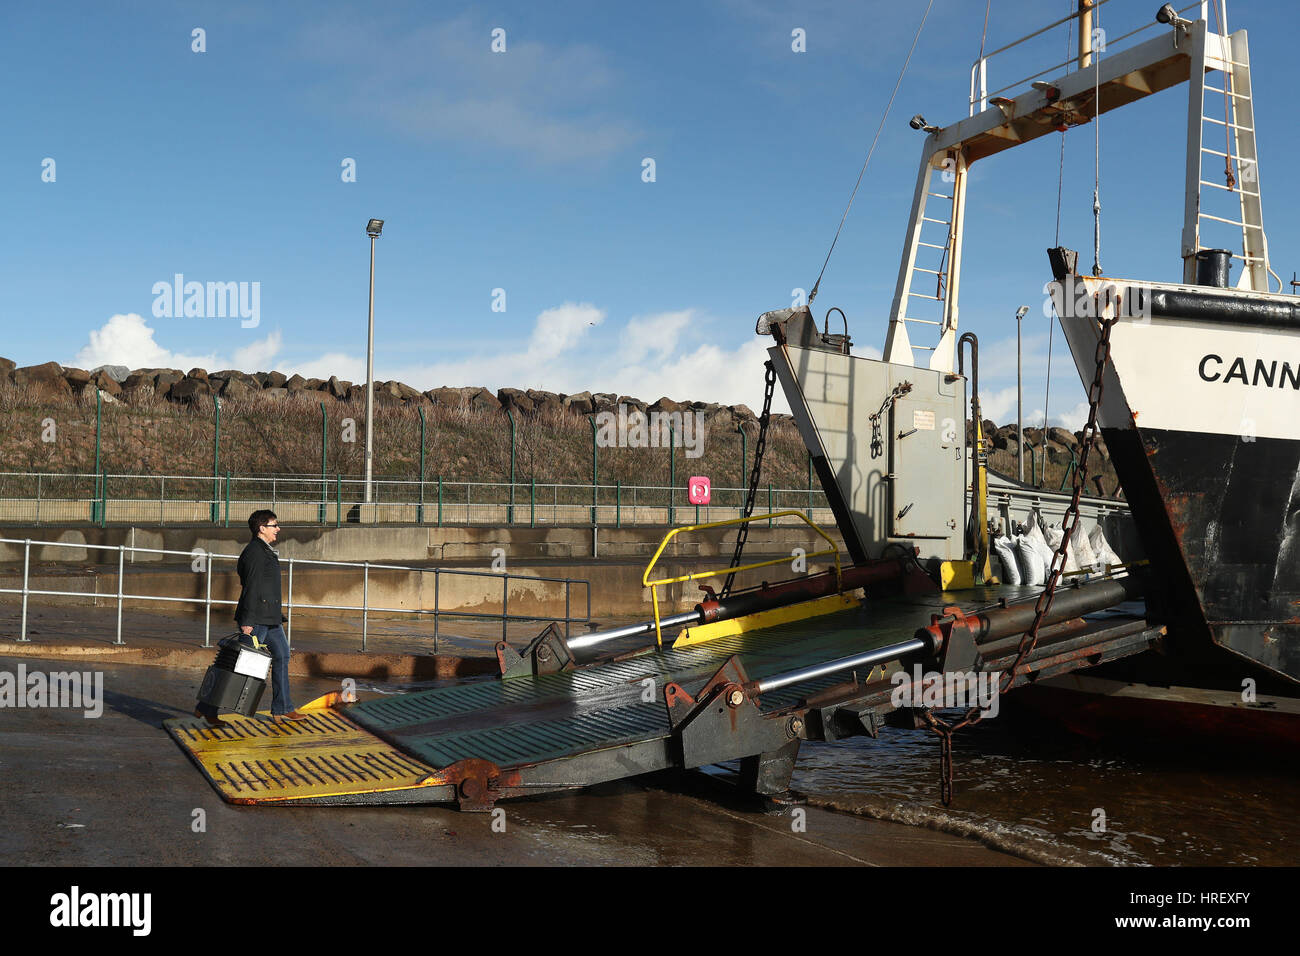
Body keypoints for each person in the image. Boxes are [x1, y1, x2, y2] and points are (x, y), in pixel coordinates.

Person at [193, 509, 305, 725]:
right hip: (256, 620)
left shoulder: (265, 550)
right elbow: (251, 588)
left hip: (271, 619)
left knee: (282, 656)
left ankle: (282, 708)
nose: (278, 529)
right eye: (274, 525)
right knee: (238, 665)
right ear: (262, 528)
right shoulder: (254, 552)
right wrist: (247, 621)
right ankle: (207, 708)